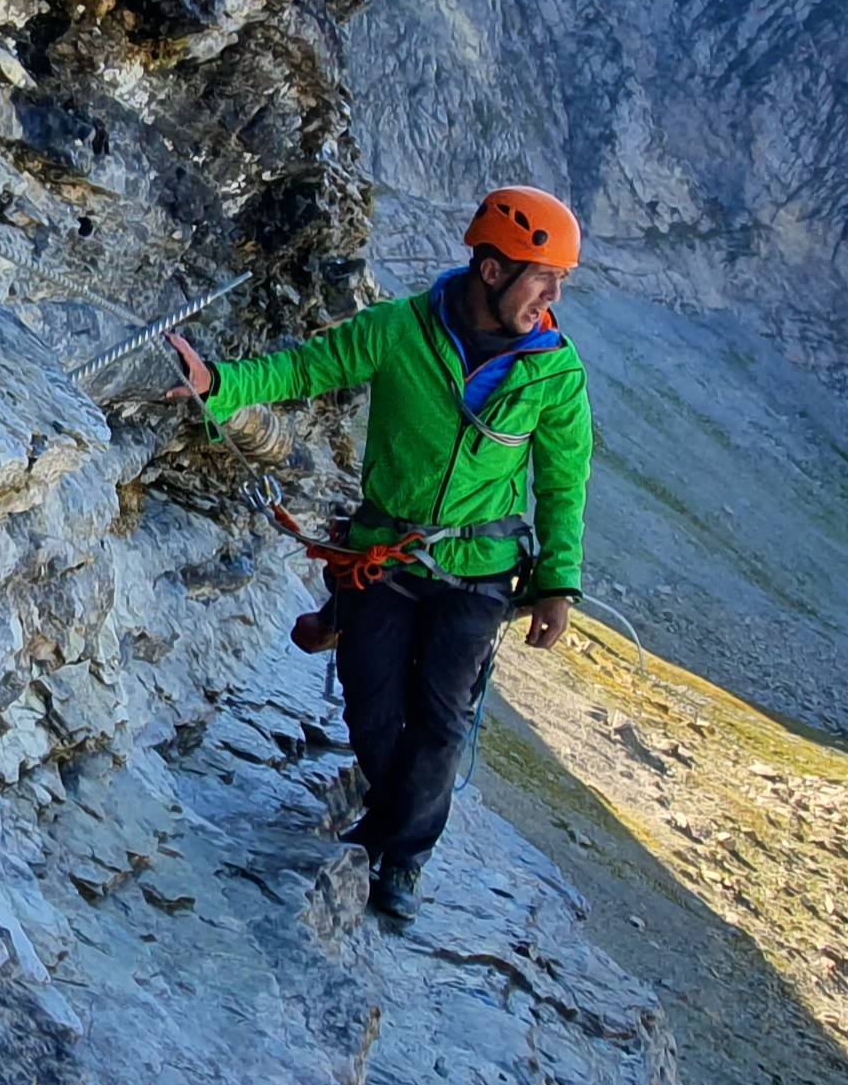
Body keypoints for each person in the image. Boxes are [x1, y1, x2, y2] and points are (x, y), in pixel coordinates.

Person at [164, 187, 596, 920]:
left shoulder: (554, 374)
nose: (552, 295)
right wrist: (221, 386)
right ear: (491, 270)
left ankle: (400, 858)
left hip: (479, 570)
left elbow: (563, 482)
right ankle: (393, 824)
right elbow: (307, 369)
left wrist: (557, 582)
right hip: (386, 558)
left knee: (439, 718)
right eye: (541, 275)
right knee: (373, 708)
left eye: (559, 280)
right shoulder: (401, 329)